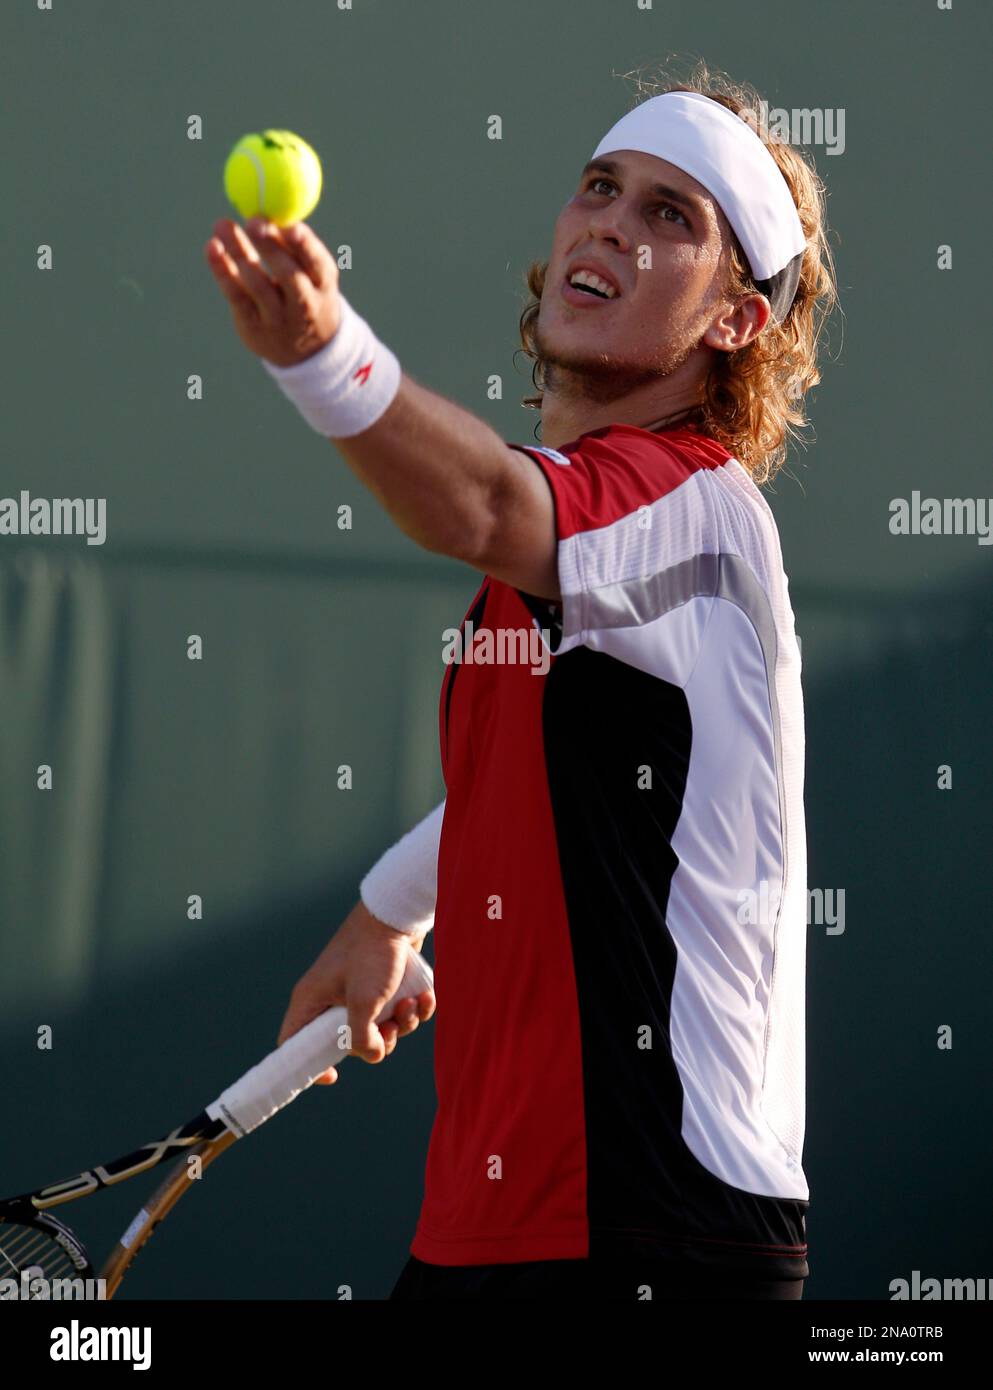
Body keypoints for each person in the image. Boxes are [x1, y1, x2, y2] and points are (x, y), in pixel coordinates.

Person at [204, 64, 838, 1301]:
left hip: (656, 1230)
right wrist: (388, 912)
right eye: (602, 188)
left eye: (673, 215)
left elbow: (485, 500)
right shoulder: (581, 560)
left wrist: (327, 355)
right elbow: (538, 786)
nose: (611, 219)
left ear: (735, 321)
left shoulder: (692, 508)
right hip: (498, 1225)